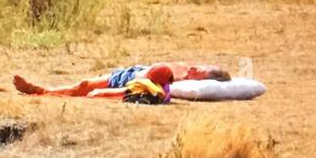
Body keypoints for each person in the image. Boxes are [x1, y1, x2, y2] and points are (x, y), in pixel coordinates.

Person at [12, 62, 229, 98]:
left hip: (127, 81)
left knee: (84, 87)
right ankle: (41, 90)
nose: (194, 68)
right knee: (84, 85)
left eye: (200, 70)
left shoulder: (178, 84)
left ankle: (39, 91)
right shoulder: (183, 73)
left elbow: (141, 90)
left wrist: (106, 94)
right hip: (130, 72)